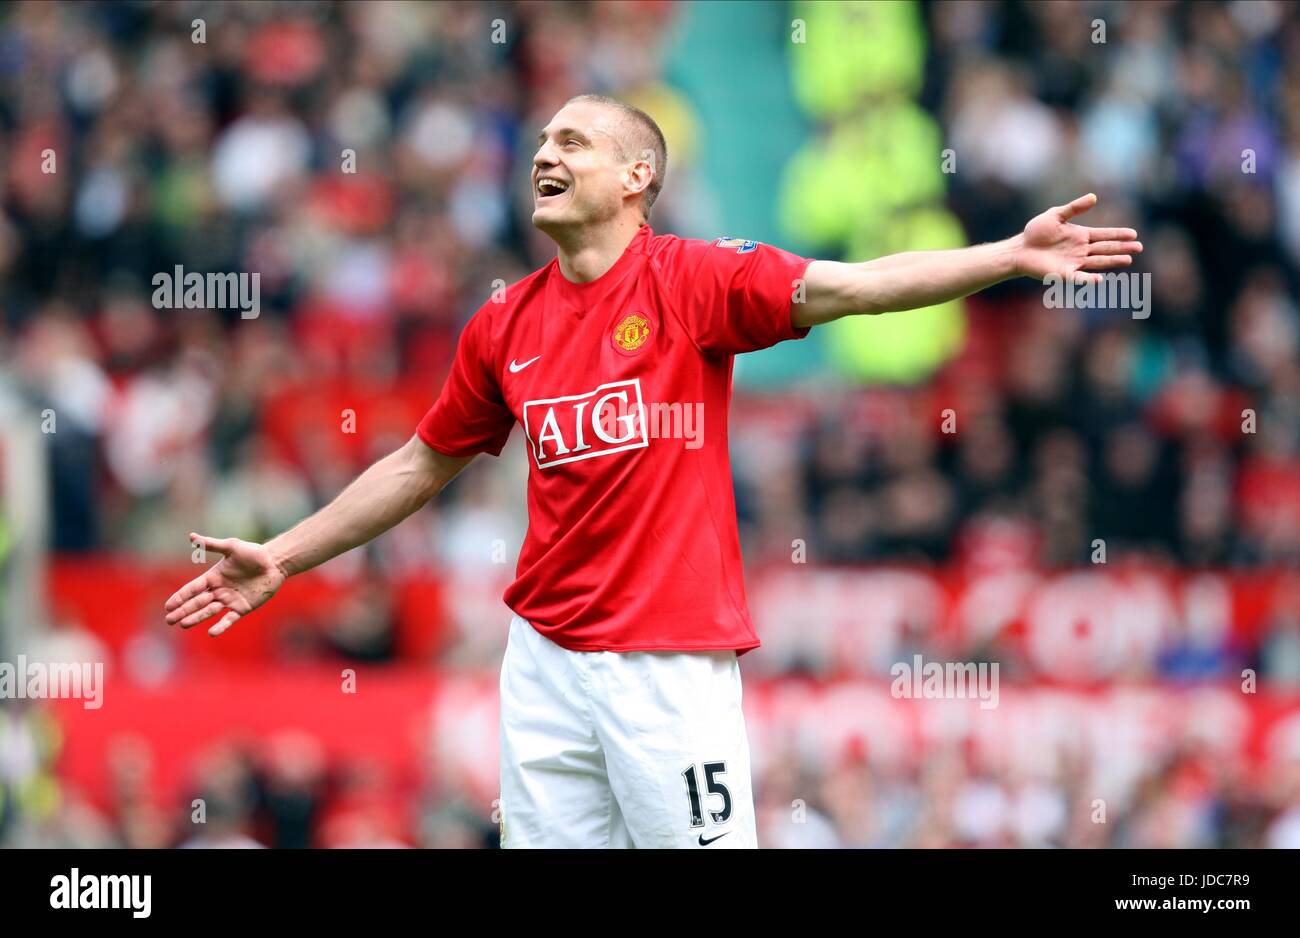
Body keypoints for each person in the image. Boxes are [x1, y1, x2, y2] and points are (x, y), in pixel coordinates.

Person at [164, 93, 1141, 848]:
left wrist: (1009, 256)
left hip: (664, 661)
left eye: (573, 143)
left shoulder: (695, 278)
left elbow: (854, 287)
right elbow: (422, 461)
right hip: (540, 659)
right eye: (542, 142)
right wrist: (285, 555)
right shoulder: (503, 323)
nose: (544, 155)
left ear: (637, 175)